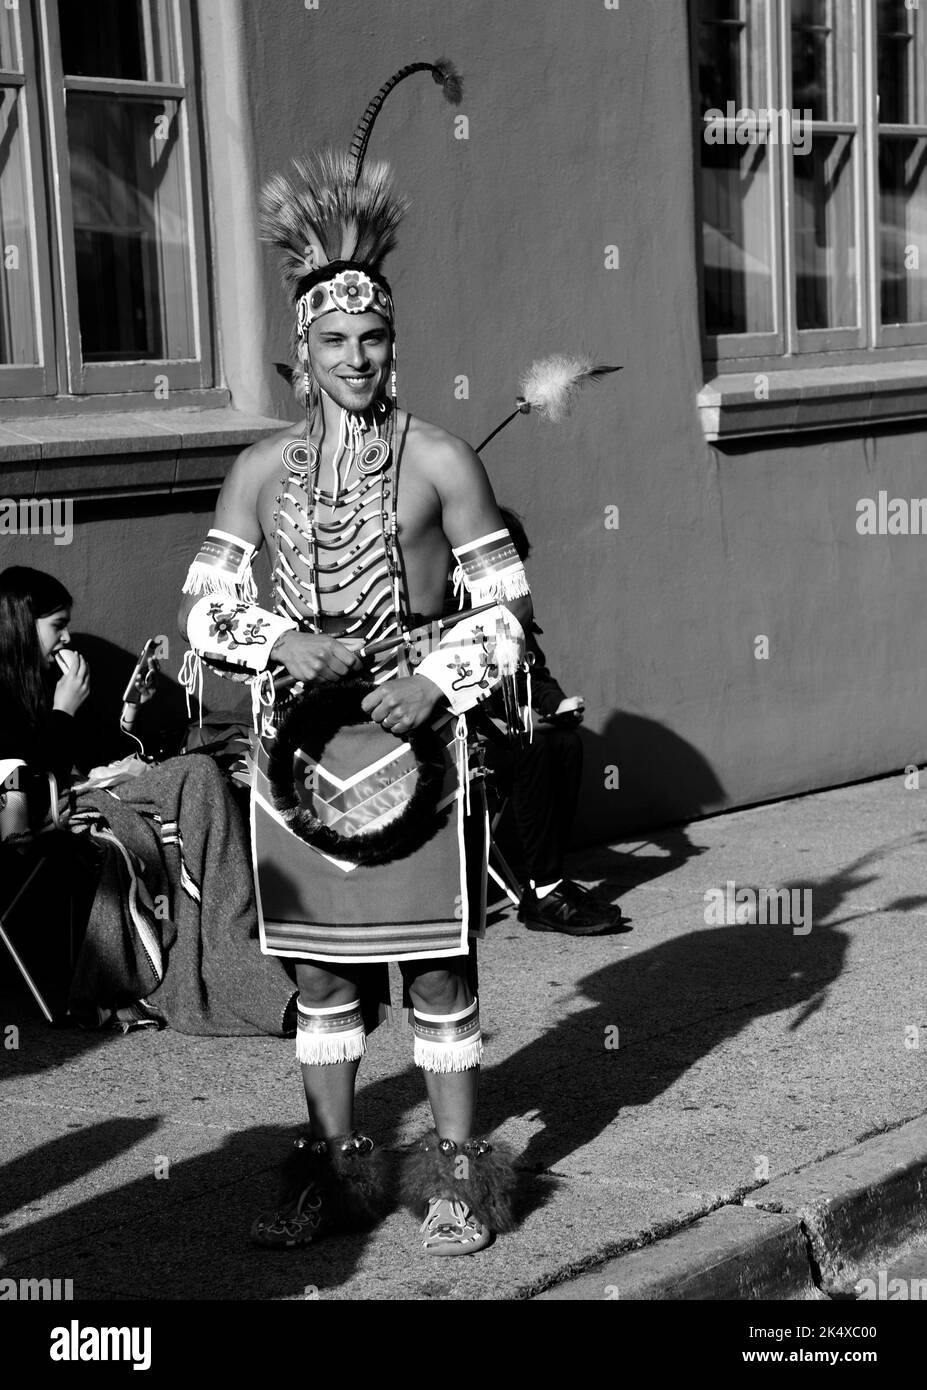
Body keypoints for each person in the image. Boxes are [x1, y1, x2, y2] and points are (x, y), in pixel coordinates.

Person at [177, 61, 531, 1255]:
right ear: (302, 344)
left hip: (422, 743)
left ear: (394, 339)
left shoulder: (439, 458)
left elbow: (507, 607)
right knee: (325, 987)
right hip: (298, 751)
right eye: (335, 338)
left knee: (434, 977)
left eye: (375, 337)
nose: (358, 358)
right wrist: (286, 639)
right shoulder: (259, 472)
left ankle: (459, 1179)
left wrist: (438, 675)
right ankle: (330, 1171)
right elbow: (208, 609)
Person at [0, 566, 296, 1036]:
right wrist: (61, 713)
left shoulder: (44, 683)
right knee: (195, 776)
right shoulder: (9, 697)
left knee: (199, 777)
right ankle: (227, 970)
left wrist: (127, 711)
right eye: (57, 625)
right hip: (39, 827)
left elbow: (97, 762)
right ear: (18, 625)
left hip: (93, 799)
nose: (67, 638)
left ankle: (228, 960)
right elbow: (21, 800)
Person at [486, 509, 625, 936]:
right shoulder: (444, 609)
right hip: (456, 736)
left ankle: (544, 880)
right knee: (533, 748)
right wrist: (504, 713)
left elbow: (534, 673)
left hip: (509, 732)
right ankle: (544, 890)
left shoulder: (508, 615)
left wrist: (556, 705)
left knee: (566, 742)